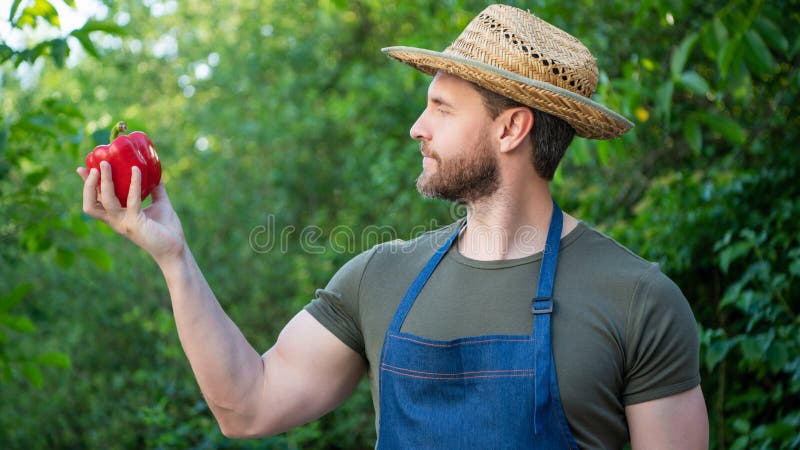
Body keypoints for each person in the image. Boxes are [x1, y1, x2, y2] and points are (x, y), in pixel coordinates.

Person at [78, 4, 708, 449]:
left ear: (511, 128)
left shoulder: (637, 300)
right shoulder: (381, 277)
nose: (418, 127)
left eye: (440, 107)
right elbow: (247, 405)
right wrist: (174, 257)